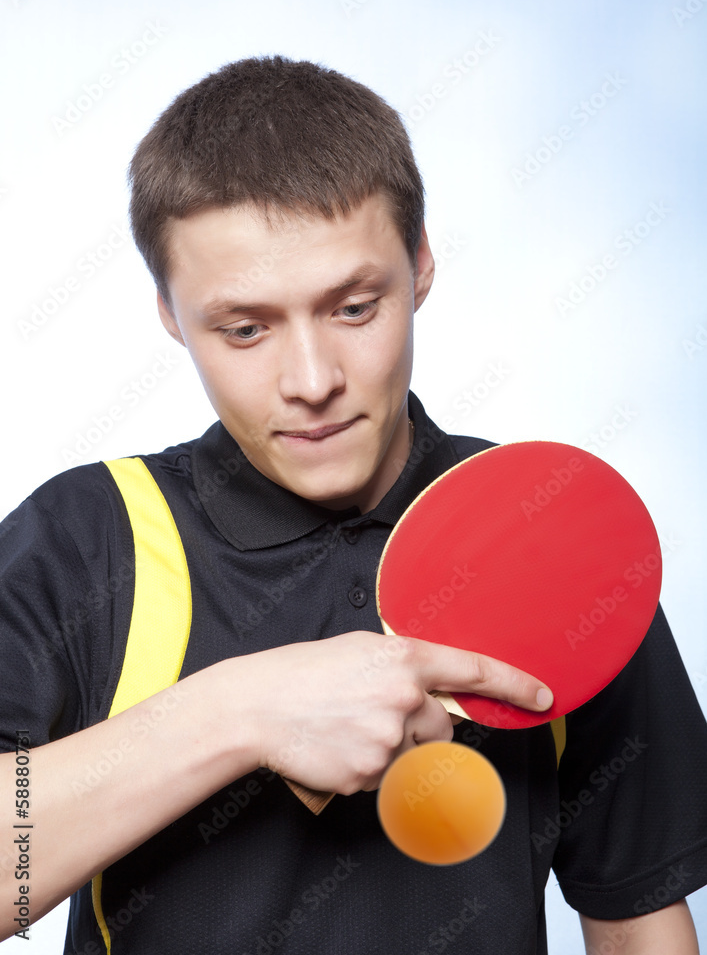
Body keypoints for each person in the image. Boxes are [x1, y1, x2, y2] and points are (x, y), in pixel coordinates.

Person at [1, 55, 705, 955]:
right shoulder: (87, 537)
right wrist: (240, 714)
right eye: (245, 328)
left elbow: (638, 923)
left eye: (354, 308)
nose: (311, 381)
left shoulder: (553, 533)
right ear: (172, 315)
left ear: (419, 266)